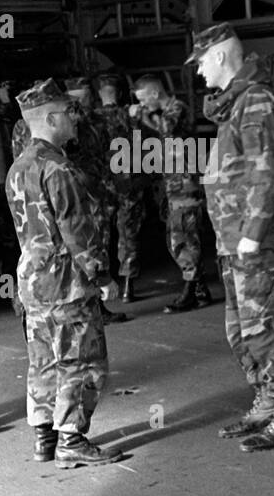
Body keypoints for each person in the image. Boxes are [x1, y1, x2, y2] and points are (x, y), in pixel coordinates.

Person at [188, 23, 274, 452]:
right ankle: (266, 401)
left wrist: (253, 235)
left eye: (201, 61)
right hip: (233, 240)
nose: (199, 71)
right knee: (240, 330)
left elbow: (267, 170)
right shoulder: (235, 104)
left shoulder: (255, 101)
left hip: (256, 241)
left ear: (218, 56)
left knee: (265, 327)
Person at [6, 79, 121, 468]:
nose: (75, 119)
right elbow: (78, 230)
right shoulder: (58, 168)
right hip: (66, 283)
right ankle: (72, 439)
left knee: (43, 360)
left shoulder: (17, 167)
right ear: (51, 118)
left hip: (33, 281)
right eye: (69, 112)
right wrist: (102, 276)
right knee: (82, 361)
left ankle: (45, 437)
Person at [131, 74, 214, 313]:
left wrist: (142, 115)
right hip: (174, 183)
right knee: (177, 236)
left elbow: (166, 128)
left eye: (144, 99)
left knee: (185, 236)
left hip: (186, 184)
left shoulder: (178, 108)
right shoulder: (163, 111)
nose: (143, 104)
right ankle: (199, 288)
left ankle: (190, 291)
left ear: (156, 93)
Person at [64, 77, 129, 324]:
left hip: (99, 191)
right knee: (87, 246)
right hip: (82, 195)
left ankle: (98, 303)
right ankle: (91, 305)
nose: (85, 103)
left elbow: (108, 150)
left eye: (87, 97)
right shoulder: (71, 124)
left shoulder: (95, 121)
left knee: (102, 243)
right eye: (79, 99)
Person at [93, 72, 144, 302]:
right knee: (128, 234)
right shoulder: (129, 115)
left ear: (98, 94)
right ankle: (127, 286)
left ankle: (103, 282)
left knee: (101, 236)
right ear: (120, 93)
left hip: (103, 186)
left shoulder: (91, 119)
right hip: (127, 182)